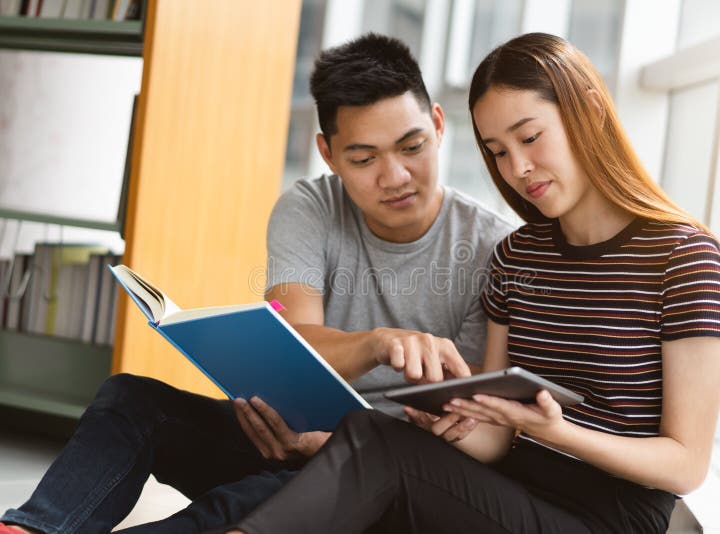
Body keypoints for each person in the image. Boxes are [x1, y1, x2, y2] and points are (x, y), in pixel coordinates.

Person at [219, 32, 720, 534]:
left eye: (530, 138)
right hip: (505, 492)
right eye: (497, 151)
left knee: (369, 447)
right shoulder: (514, 255)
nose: (518, 168)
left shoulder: (683, 258)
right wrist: (455, 424)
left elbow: (686, 465)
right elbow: (494, 440)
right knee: (359, 441)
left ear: (591, 112)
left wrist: (556, 432)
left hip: (603, 516)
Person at [0, 33, 512, 534]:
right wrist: (378, 343)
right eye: (363, 158)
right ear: (329, 155)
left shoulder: (492, 249)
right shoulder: (310, 207)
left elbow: (470, 430)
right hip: (283, 437)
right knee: (130, 401)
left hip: (380, 478)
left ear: (439, 125)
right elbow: (294, 342)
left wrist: (332, 446)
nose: (395, 175)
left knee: (239, 504)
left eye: (411, 146)